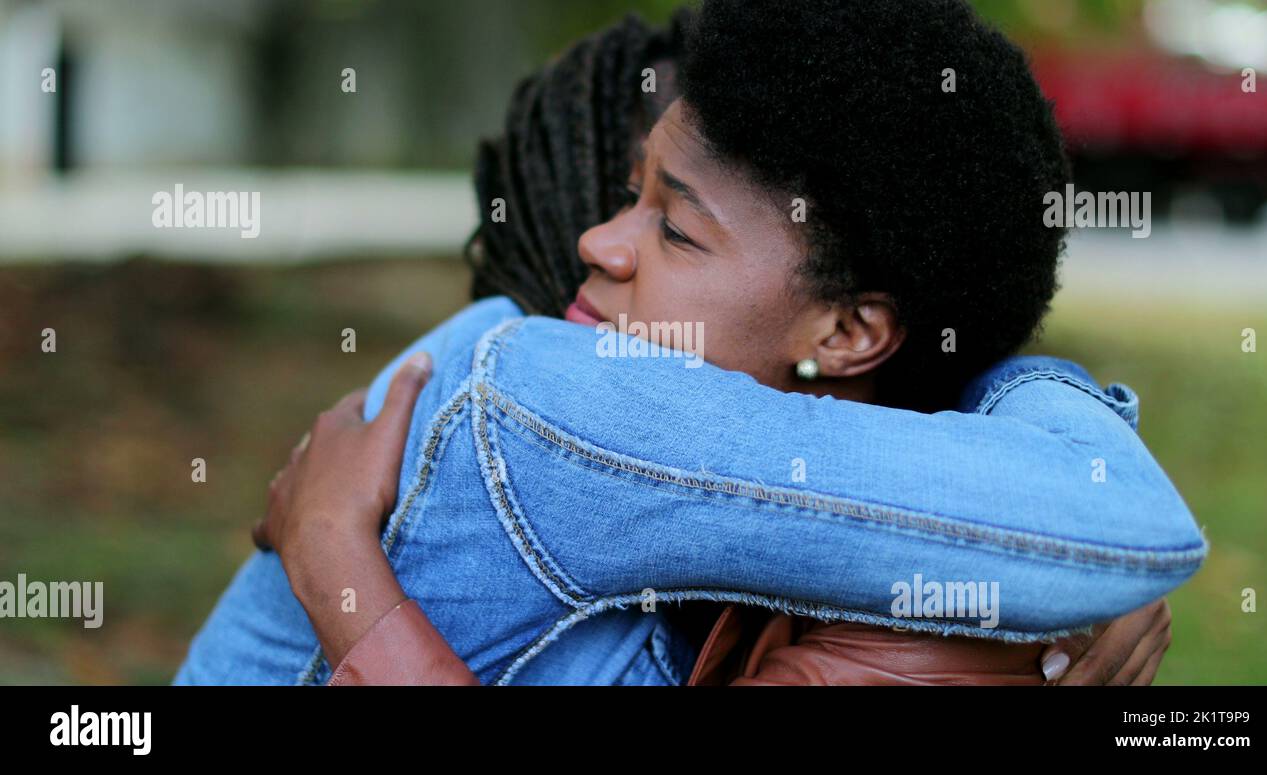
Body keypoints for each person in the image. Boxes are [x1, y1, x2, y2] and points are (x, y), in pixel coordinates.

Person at [175, 0, 1202, 686]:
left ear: (849, 332)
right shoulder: (552, 393)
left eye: (671, 225)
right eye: (632, 196)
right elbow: (1118, 519)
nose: (596, 241)